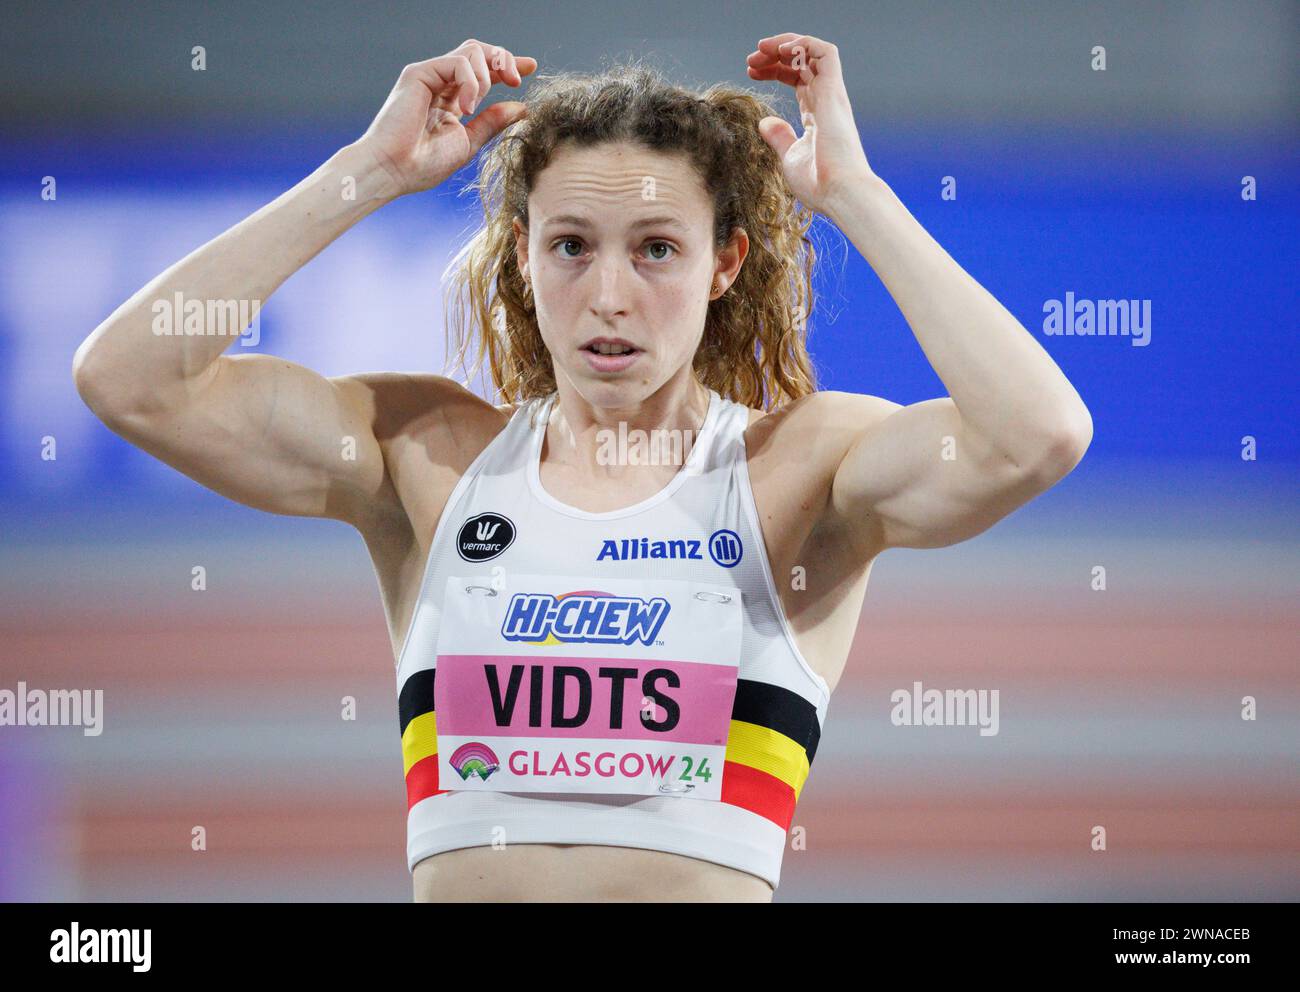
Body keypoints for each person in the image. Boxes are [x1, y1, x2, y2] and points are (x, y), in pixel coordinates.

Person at [72, 34, 1092, 903]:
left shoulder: (797, 468)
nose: (609, 294)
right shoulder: (427, 456)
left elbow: (1035, 433)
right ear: (521, 254)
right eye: (570, 246)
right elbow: (130, 380)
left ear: (724, 262)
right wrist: (365, 173)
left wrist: (856, 198)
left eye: (655, 249)